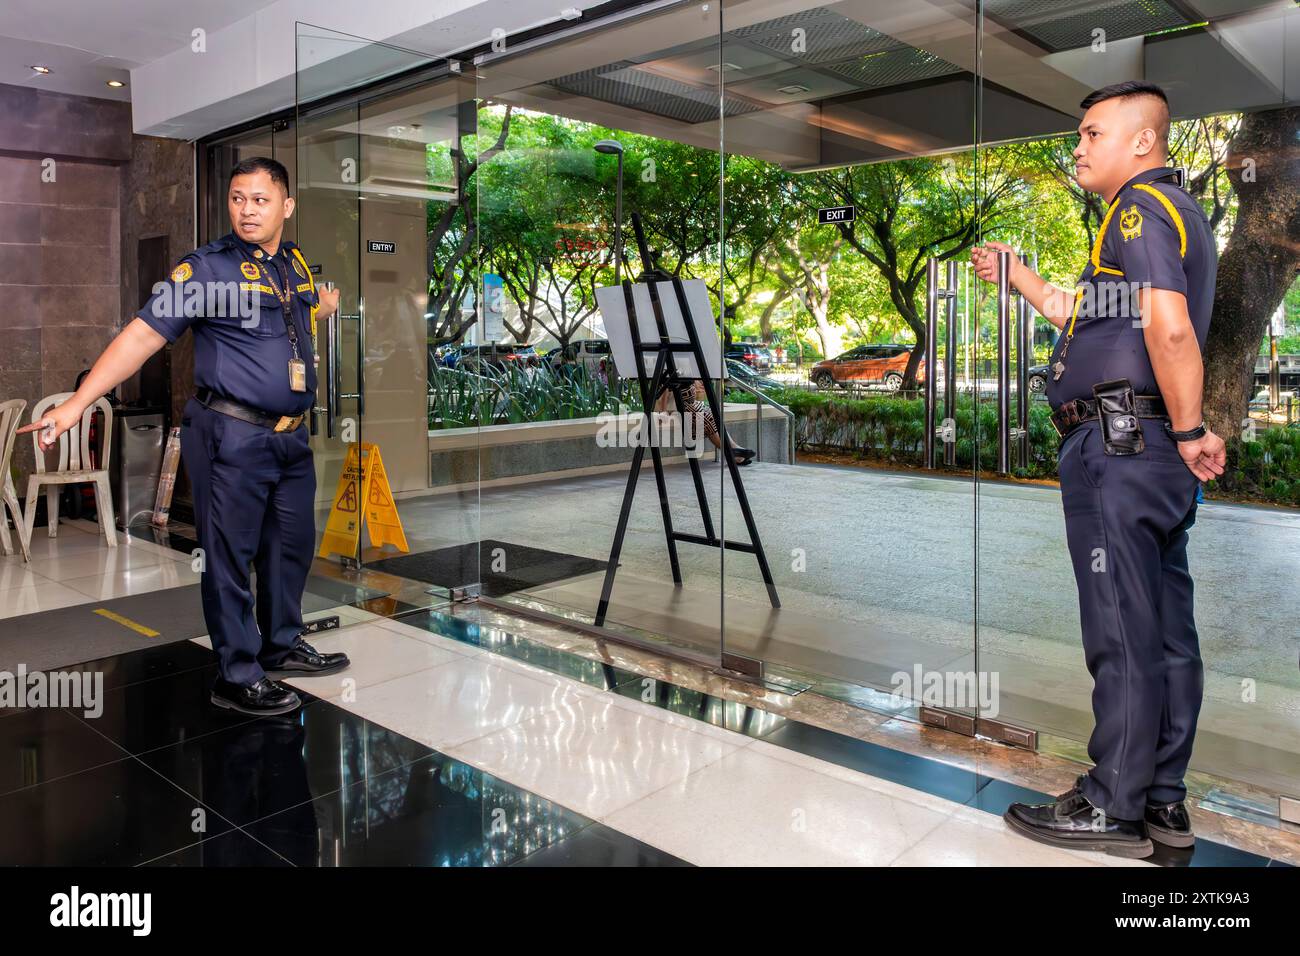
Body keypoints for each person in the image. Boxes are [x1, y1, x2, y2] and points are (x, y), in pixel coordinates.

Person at [971, 81, 1226, 858]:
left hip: (1123, 446)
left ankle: (1111, 805)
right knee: (1163, 631)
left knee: (1120, 627)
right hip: (1143, 447)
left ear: (1141, 143)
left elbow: (1170, 330)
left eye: (1091, 133)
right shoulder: (1166, 220)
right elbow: (1080, 313)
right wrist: (1020, 278)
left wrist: (1188, 430)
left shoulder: (1139, 208)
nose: (1077, 147)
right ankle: (1160, 800)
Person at [20, 156, 350, 716]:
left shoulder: (292, 262)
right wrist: (79, 403)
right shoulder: (206, 269)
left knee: (288, 548)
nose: (247, 210)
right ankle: (236, 673)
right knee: (229, 555)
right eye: (238, 198)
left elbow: (287, 321)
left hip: (291, 437)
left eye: (261, 200)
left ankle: (281, 644)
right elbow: (144, 335)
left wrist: (320, 304)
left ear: (287, 207)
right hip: (231, 433)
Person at [655, 379, 755, 465]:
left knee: (712, 415)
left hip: (687, 405)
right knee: (705, 417)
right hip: (675, 407)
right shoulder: (672, 368)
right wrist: (663, 412)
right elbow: (665, 391)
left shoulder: (686, 369)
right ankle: (733, 451)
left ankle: (734, 451)